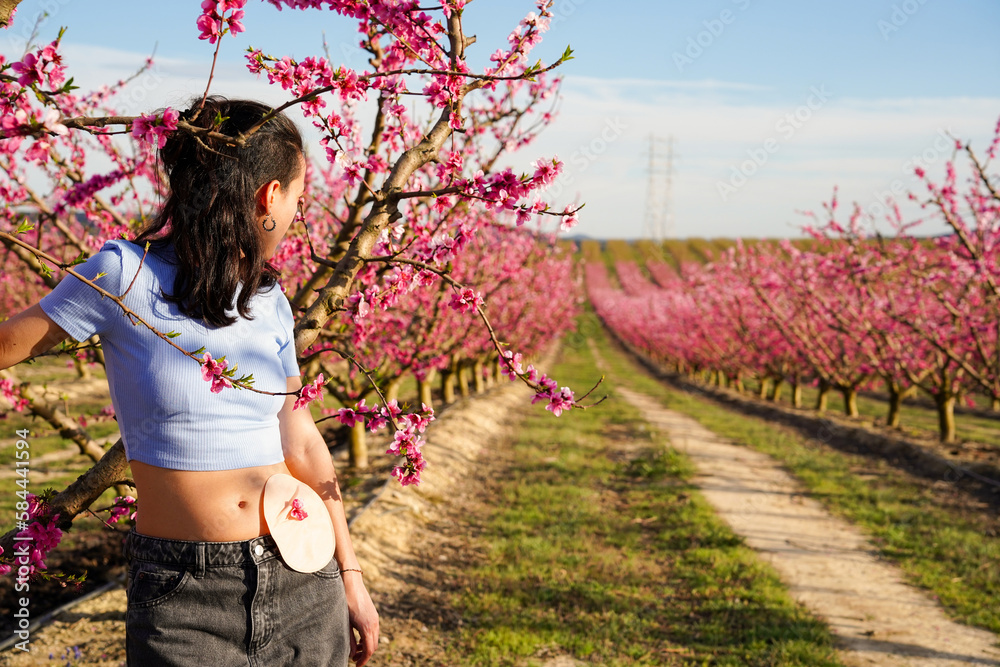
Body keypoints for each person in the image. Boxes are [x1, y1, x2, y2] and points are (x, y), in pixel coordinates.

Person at [0, 97, 379, 666]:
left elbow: (300, 440)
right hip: (183, 597)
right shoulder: (121, 274)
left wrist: (350, 574)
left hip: (303, 572)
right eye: (298, 200)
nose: (298, 216)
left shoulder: (269, 300)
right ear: (267, 196)